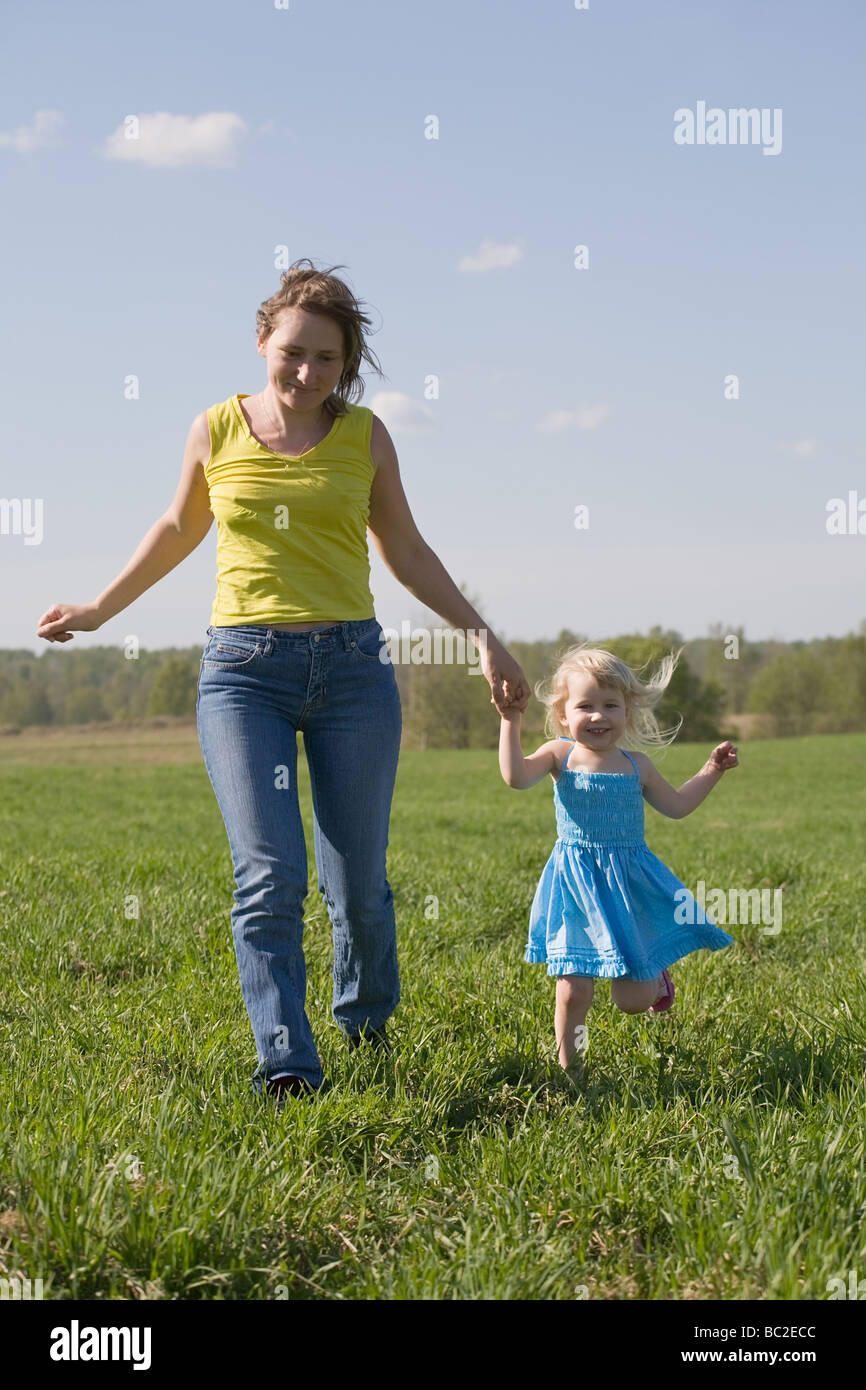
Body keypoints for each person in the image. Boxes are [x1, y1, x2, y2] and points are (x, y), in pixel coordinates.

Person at [36, 258, 530, 1102]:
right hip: (243, 675)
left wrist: (483, 637)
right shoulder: (215, 430)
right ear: (262, 340)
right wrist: (100, 609)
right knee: (268, 874)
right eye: (293, 352)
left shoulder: (366, 436)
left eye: (327, 359)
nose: (307, 372)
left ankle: (366, 1021)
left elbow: (405, 551)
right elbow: (174, 526)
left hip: (351, 674)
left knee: (360, 885)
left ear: (348, 364)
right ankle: (289, 1062)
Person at [498, 641, 737, 1076]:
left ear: (627, 713)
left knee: (632, 1002)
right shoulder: (559, 755)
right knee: (574, 989)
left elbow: (678, 806)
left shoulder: (637, 765)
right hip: (575, 885)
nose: (598, 716)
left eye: (611, 705)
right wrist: (510, 720)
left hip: (629, 884)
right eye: (585, 705)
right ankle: (572, 1071)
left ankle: (656, 977)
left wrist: (711, 770)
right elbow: (515, 776)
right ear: (562, 715)